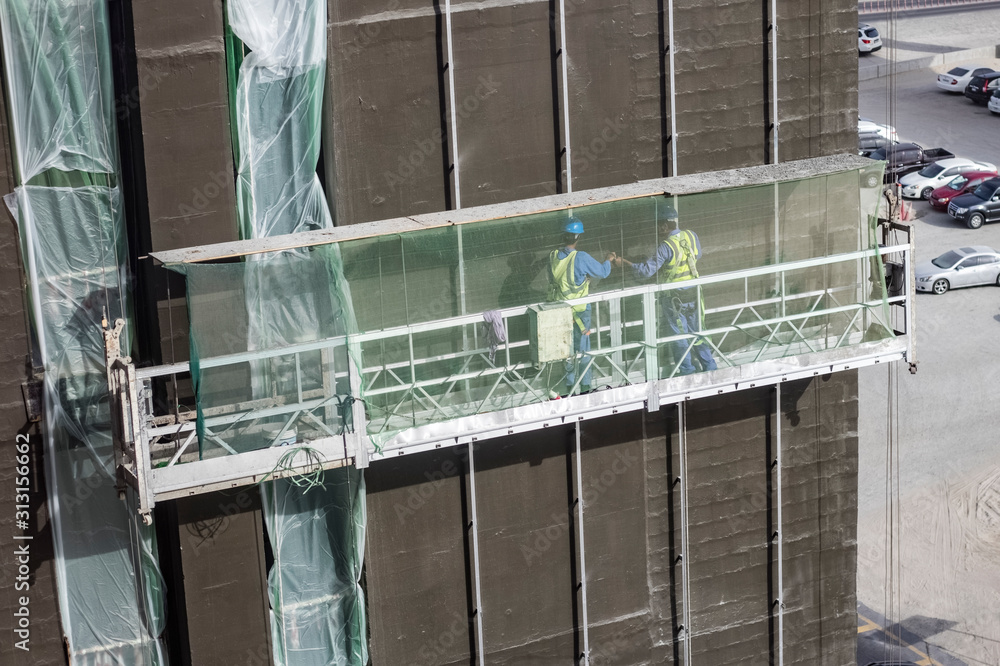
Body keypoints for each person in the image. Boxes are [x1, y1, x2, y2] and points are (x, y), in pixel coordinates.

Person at [615, 205, 717, 376]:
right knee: (698, 332)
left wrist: (625, 263)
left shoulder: (666, 246)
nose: (656, 229)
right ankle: (710, 366)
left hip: (674, 299)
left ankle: (687, 370)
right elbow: (697, 256)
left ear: (664, 225)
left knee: (679, 336)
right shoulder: (691, 235)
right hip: (694, 294)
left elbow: (646, 272)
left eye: (657, 225)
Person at [548, 216, 615, 395]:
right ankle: (585, 387)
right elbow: (603, 272)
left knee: (566, 351)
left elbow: (558, 281)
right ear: (578, 237)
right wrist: (608, 259)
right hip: (580, 312)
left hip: (560, 312)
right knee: (583, 350)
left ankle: (570, 388)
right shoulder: (581, 257)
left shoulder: (553, 256)